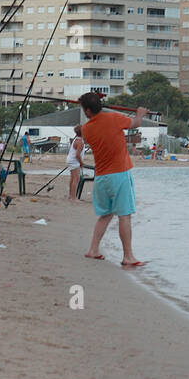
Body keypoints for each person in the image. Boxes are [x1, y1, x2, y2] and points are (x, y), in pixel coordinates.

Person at [78, 92, 147, 267]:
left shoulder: (86, 129)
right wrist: (139, 113)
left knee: (105, 215)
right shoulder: (114, 118)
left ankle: (93, 249)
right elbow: (135, 123)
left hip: (101, 176)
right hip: (119, 174)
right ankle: (128, 256)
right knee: (124, 215)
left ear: (87, 111)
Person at [66, 124, 86, 200]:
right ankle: (73, 197)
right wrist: (81, 163)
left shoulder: (75, 139)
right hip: (74, 161)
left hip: (70, 159)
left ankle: (70, 196)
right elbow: (77, 155)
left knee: (72, 178)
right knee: (76, 179)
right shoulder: (80, 142)